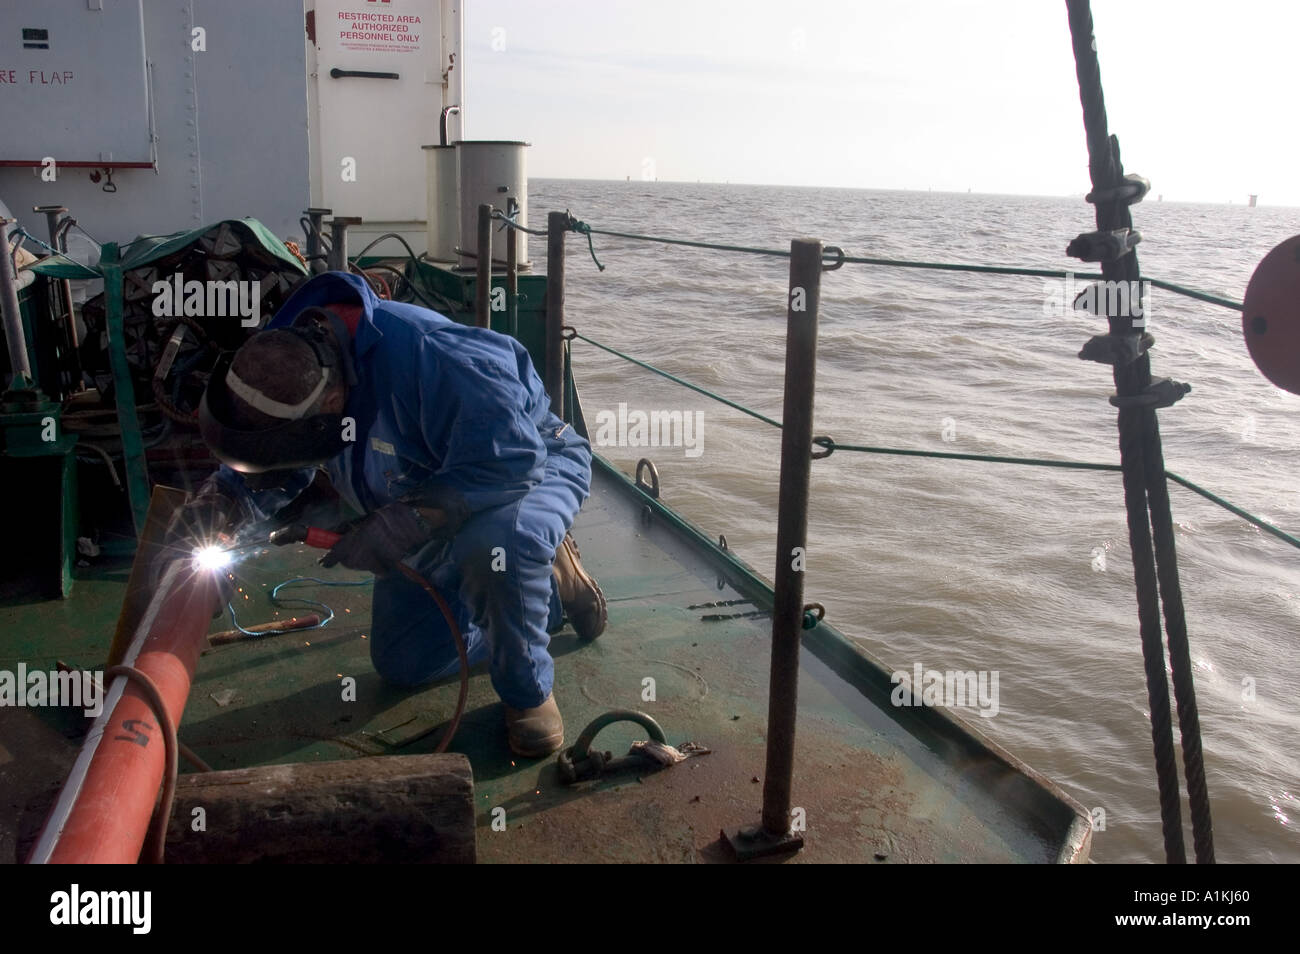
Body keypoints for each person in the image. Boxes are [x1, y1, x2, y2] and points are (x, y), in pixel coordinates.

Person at [169, 270, 607, 757]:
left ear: (333, 405)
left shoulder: (437, 358)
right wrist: (223, 504)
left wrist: (405, 522)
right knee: (405, 663)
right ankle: (538, 598)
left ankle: (527, 687)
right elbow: (277, 459)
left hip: (522, 463)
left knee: (495, 548)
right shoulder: (290, 357)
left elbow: (508, 462)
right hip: (414, 479)